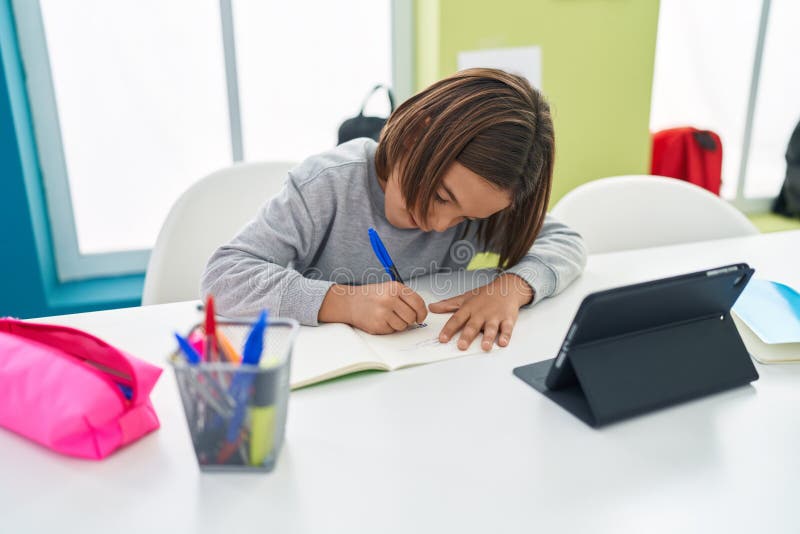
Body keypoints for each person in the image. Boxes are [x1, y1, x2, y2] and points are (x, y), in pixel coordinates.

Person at [201, 68, 587, 351]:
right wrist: (344, 301)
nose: (440, 225)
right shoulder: (326, 185)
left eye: (467, 219)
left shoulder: (477, 197)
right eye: (440, 196)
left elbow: (565, 241)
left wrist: (510, 289)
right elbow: (223, 276)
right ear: (417, 134)